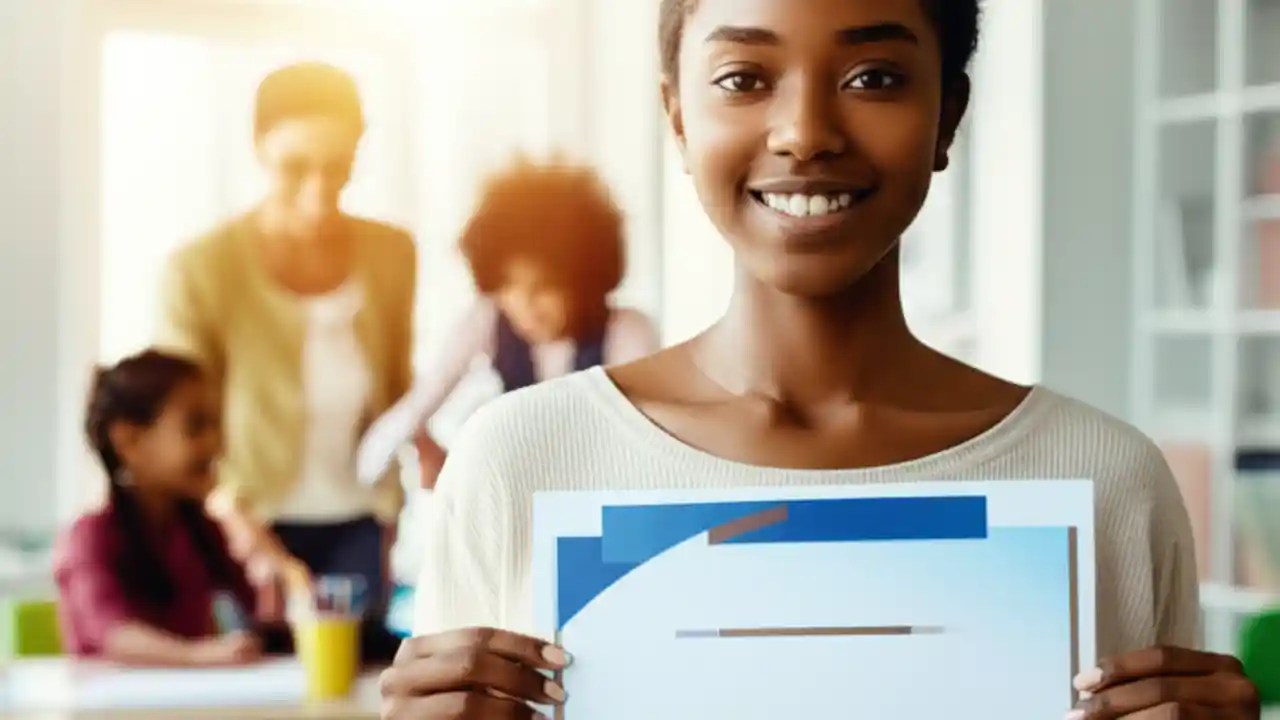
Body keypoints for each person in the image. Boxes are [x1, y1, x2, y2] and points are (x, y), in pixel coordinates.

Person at [378, 0, 1261, 717]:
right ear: (678, 117)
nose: (804, 131)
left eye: (873, 76)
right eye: (742, 78)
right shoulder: (518, 462)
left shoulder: (1107, 479)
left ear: (947, 113)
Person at [156, 62, 415, 616]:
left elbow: (397, 387)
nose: (319, 192)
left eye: (338, 168)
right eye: (294, 168)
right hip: (245, 522)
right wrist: (243, 530)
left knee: (361, 681)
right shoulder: (201, 269)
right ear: (258, 150)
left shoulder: (392, 253)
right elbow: (180, 426)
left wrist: (396, 509)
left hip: (359, 520)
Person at [356, 158, 658, 489]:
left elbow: (639, 439)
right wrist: (373, 472)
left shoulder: (627, 332)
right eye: (508, 286)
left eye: (543, 287)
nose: (524, 307)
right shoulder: (487, 319)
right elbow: (423, 399)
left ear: (583, 280)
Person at [54, 351, 261, 665]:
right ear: (129, 441)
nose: (215, 444)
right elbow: (112, 632)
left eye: (215, 424)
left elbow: (258, 610)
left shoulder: (201, 531)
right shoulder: (90, 536)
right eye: (195, 426)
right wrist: (195, 655)